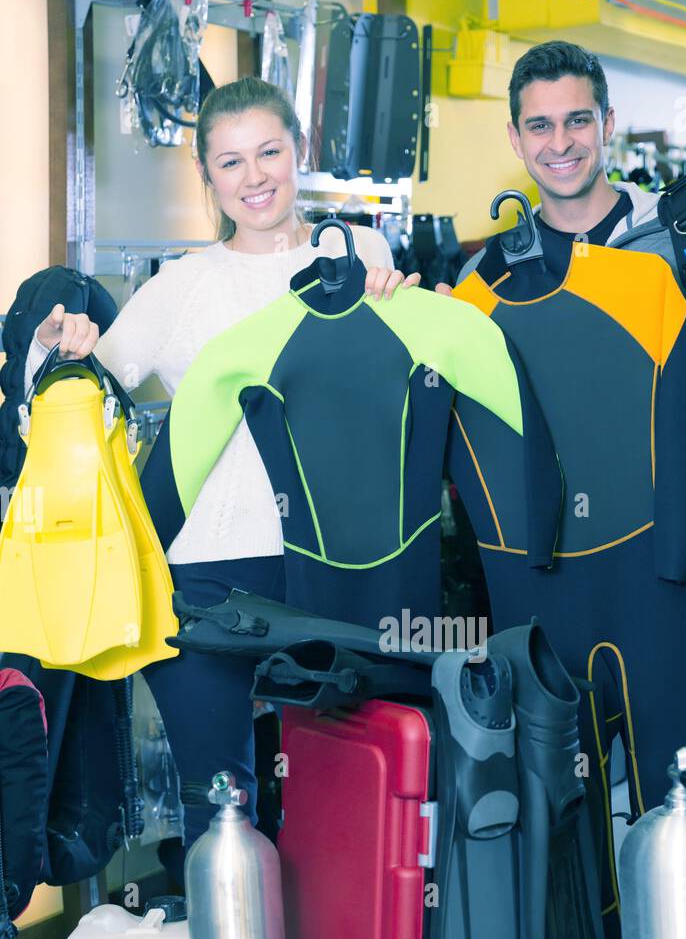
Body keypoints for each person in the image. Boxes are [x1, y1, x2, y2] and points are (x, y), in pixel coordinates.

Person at [24, 76, 419, 886]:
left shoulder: (361, 258)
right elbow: (79, 394)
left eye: (269, 152)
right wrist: (56, 347)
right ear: (208, 177)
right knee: (223, 803)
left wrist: (401, 312)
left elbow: (401, 391)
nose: (255, 177)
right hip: (201, 577)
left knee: (339, 794)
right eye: (231, 161)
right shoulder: (181, 288)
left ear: (298, 151)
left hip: (328, 569)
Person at [450, 41, 686, 679]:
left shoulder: (677, 247)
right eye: (540, 125)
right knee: (563, 774)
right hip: (543, 576)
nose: (561, 142)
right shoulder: (488, 273)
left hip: (668, 564)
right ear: (516, 138)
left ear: (607, 124)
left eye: (578, 120)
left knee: (677, 772)